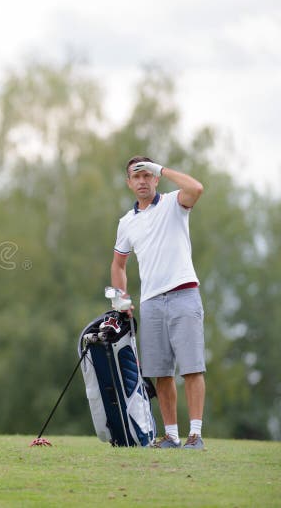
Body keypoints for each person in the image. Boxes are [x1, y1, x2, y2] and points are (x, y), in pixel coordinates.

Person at [110, 156, 206, 449]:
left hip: (184, 293)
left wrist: (162, 168)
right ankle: (172, 436)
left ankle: (196, 434)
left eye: (147, 175)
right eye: (135, 177)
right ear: (129, 183)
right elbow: (118, 266)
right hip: (151, 301)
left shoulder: (174, 202)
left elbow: (197, 188)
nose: (142, 181)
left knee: (191, 368)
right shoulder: (126, 223)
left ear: (155, 179)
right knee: (161, 373)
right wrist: (121, 300)